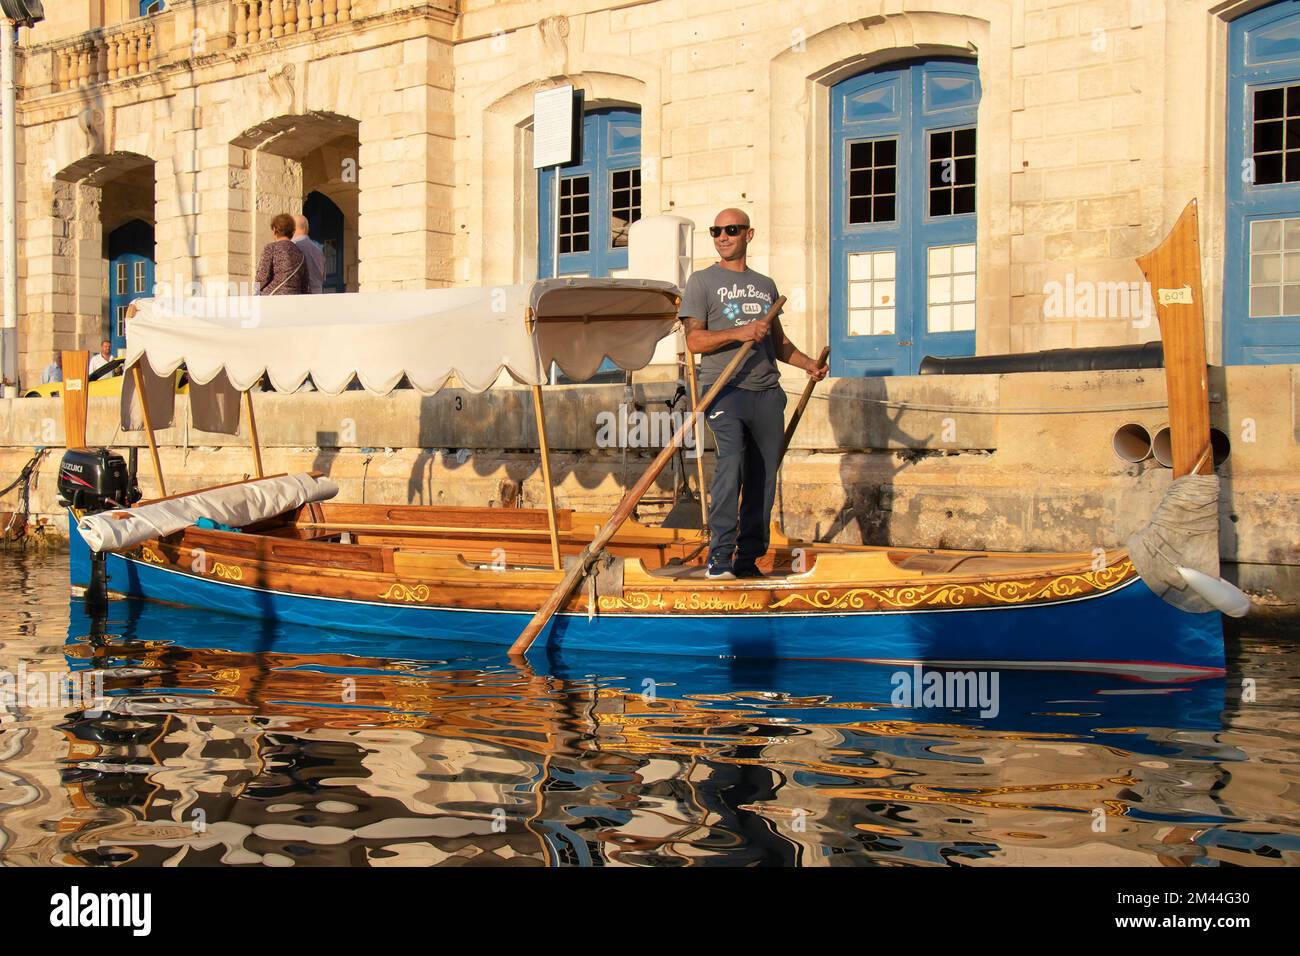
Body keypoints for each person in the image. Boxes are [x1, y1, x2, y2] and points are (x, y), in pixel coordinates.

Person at [679, 208, 828, 579]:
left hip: (766, 391)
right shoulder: (701, 281)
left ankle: (748, 560)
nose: (722, 236)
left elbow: (777, 342)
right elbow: (694, 341)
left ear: (749, 234)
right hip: (725, 389)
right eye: (716, 231)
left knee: (763, 476)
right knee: (730, 467)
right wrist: (739, 332)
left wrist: (809, 364)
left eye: (731, 230)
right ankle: (720, 558)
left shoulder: (765, 286)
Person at [255, 213, 308, 295]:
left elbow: (262, 277)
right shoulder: (301, 254)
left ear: (275, 229)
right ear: (292, 231)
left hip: (274, 299)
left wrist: (255, 291)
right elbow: (304, 284)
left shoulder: (271, 248)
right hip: (295, 300)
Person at [291, 214, 326, 294]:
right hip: (317, 295)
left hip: (300, 297)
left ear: (293, 228)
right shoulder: (319, 250)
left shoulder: (292, 246)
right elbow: (322, 278)